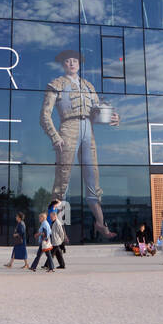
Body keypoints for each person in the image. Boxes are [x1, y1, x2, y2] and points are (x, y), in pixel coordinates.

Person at [40, 50, 120, 239]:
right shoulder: (56, 84)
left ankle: (100, 223)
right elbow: (44, 115)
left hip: (88, 130)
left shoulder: (88, 86)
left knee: (93, 177)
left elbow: (99, 111)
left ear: (79, 64)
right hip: (68, 128)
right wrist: (55, 135)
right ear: (63, 64)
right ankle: (60, 229)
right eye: (68, 61)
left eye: (74, 60)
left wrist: (113, 117)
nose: (72, 63)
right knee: (62, 181)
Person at [48, 200, 67, 270]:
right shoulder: (52, 208)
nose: (58, 205)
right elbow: (58, 204)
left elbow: (61, 232)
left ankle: (47, 265)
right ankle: (62, 265)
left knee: (52, 252)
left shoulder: (53, 209)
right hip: (52, 224)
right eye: (57, 204)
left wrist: (62, 240)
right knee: (57, 252)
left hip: (56, 239)